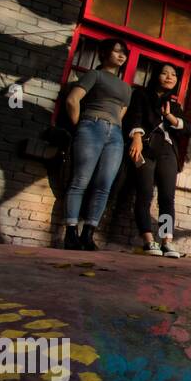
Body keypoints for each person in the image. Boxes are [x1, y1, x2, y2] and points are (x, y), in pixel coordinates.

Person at [61, 38, 133, 251]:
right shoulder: (95, 75)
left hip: (116, 135)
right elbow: (72, 100)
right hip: (92, 126)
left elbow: (121, 114)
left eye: (124, 53)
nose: (121, 55)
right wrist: (79, 127)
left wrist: (116, 132)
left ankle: (88, 235)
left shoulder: (126, 88)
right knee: (80, 180)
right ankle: (71, 233)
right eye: (116, 51)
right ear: (105, 53)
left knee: (104, 185)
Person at [124, 62, 191, 258]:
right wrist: (136, 138)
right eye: (164, 73)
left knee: (167, 198)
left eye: (173, 74)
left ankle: (166, 241)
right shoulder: (141, 95)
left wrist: (169, 116)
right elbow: (134, 117)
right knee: (144, 194)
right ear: (156, 76)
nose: (169, 77)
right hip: (145, 149)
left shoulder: (175, 105)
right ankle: (148, 240)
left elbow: (188, 129)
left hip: (167, 152)